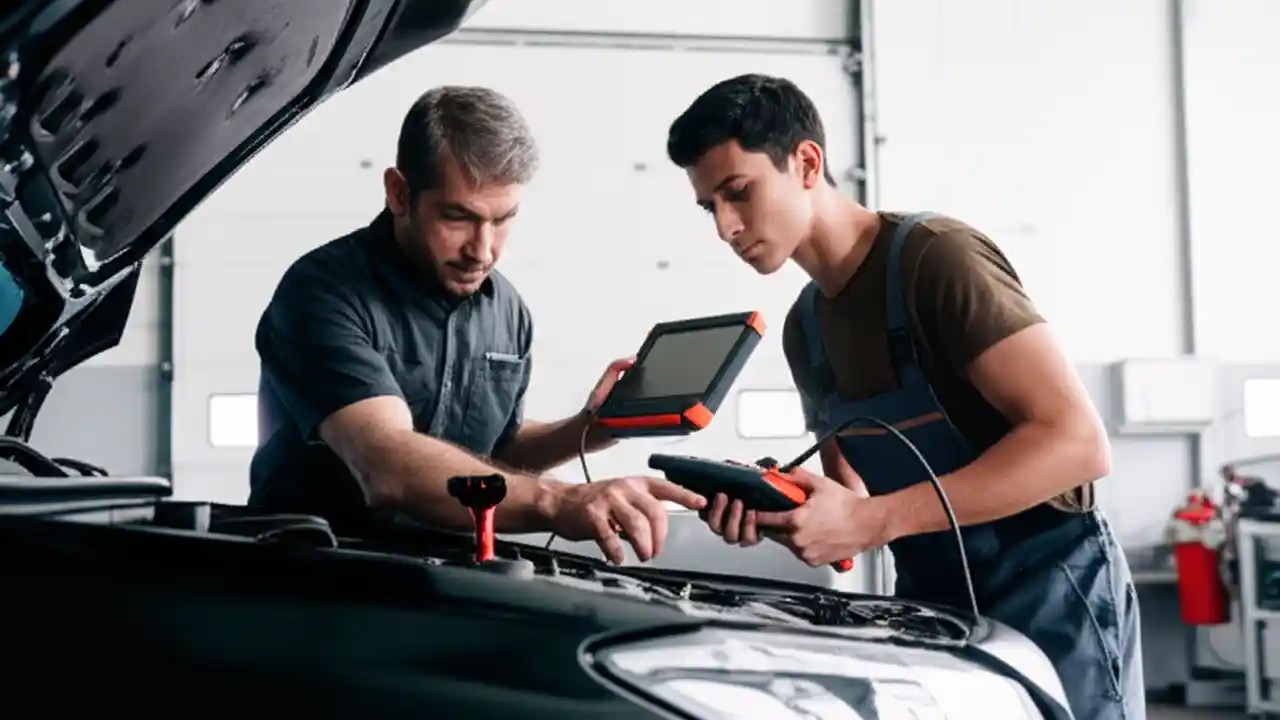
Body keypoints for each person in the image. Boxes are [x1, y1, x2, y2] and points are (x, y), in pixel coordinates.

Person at [665, 73, 1143, 719]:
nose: (725, 227)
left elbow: (1077, 444)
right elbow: (856, 512)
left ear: (807, 163)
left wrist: (871, 521)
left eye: (738, 193)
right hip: (933, 608)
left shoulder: (936, 262)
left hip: (1053, 596)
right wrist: (793, 519)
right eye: (709, 208)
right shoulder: (806, 331)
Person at [248, 85, 705, 565]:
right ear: (399, 193)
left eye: (503, 219)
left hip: (447, 577)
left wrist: (592, 427)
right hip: (315, 582)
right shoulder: (322, 291)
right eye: (457, 218)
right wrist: (558, 500)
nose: (482, 250)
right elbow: (385, 464)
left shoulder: (506, 310)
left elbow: (492, 454)